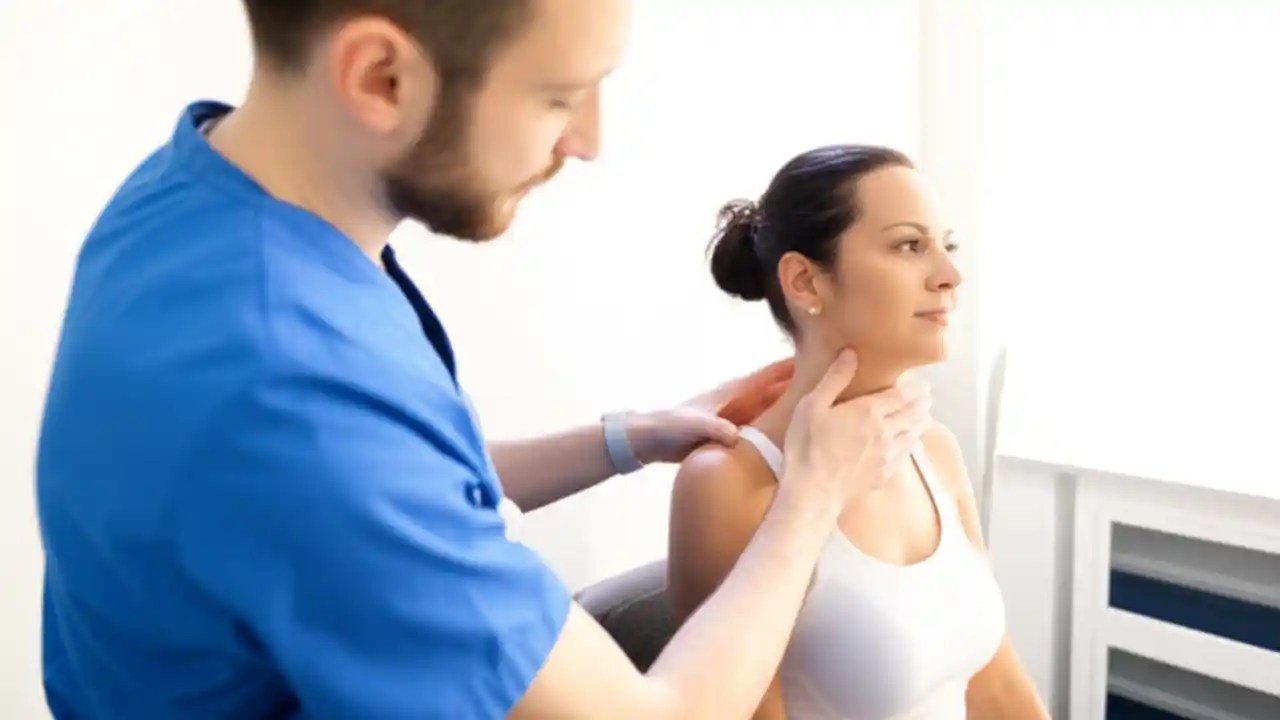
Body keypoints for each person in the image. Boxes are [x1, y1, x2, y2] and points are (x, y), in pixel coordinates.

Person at [34, 2, 934, 718]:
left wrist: (623, 438)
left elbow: (402, 485)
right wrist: (811, 496)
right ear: (381, 76)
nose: (589, 138)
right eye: (556, 96)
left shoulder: (198, 200)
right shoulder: (288, 388)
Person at [668, 145, 1051, 719]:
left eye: (946, 246)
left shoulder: (934, 451)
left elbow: (995, 690)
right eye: (908, 245)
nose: (950, 275)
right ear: (804, 282)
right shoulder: (726, 484)